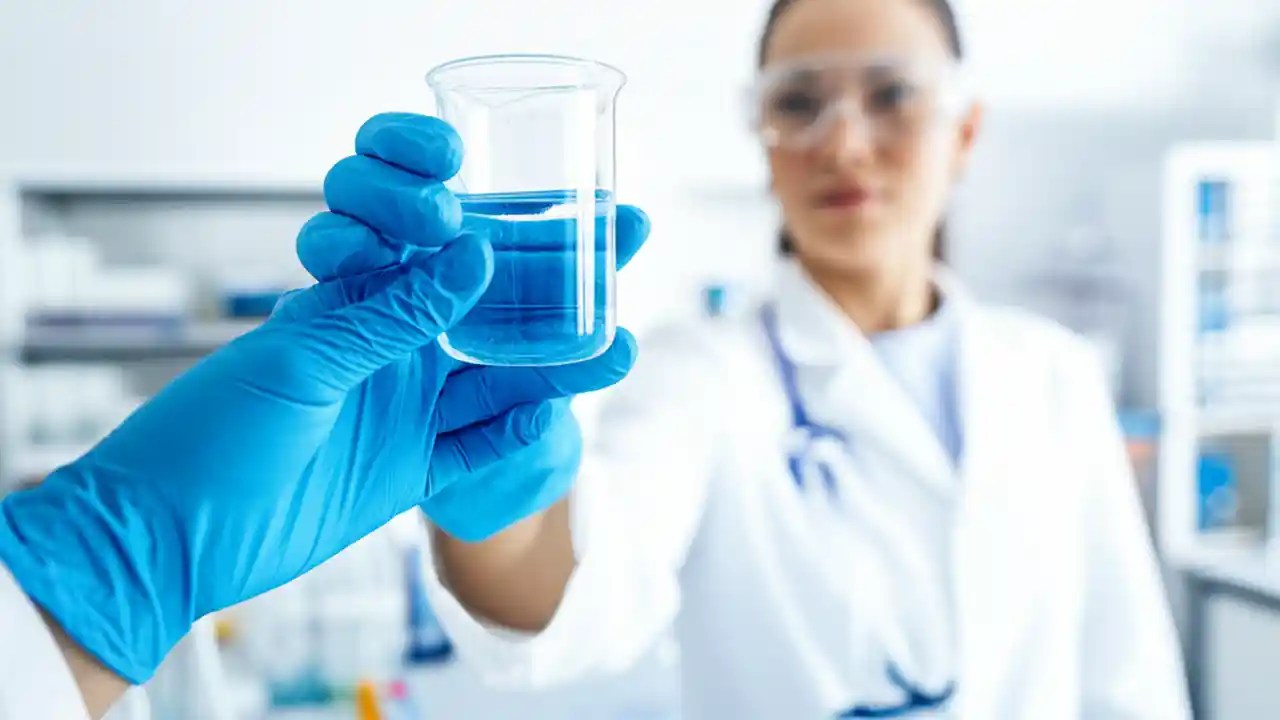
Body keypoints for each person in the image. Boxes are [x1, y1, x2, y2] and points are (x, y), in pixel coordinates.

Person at [333, 1, 1190, 717]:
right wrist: (489, 478)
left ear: (964, 131)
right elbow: (581, 598)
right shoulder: (701, 372)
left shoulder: (1053, 374)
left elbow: (1130, 672)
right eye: (799, 102)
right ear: (764, 138)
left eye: (892, 93)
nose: (845, 143)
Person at [0, 113, 652, 719]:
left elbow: (598, 613)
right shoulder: (702, 372)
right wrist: (134, 552)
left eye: (766, 103)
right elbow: (579, 602)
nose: (763, 128)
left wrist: (503, 493)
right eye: (759, 106)